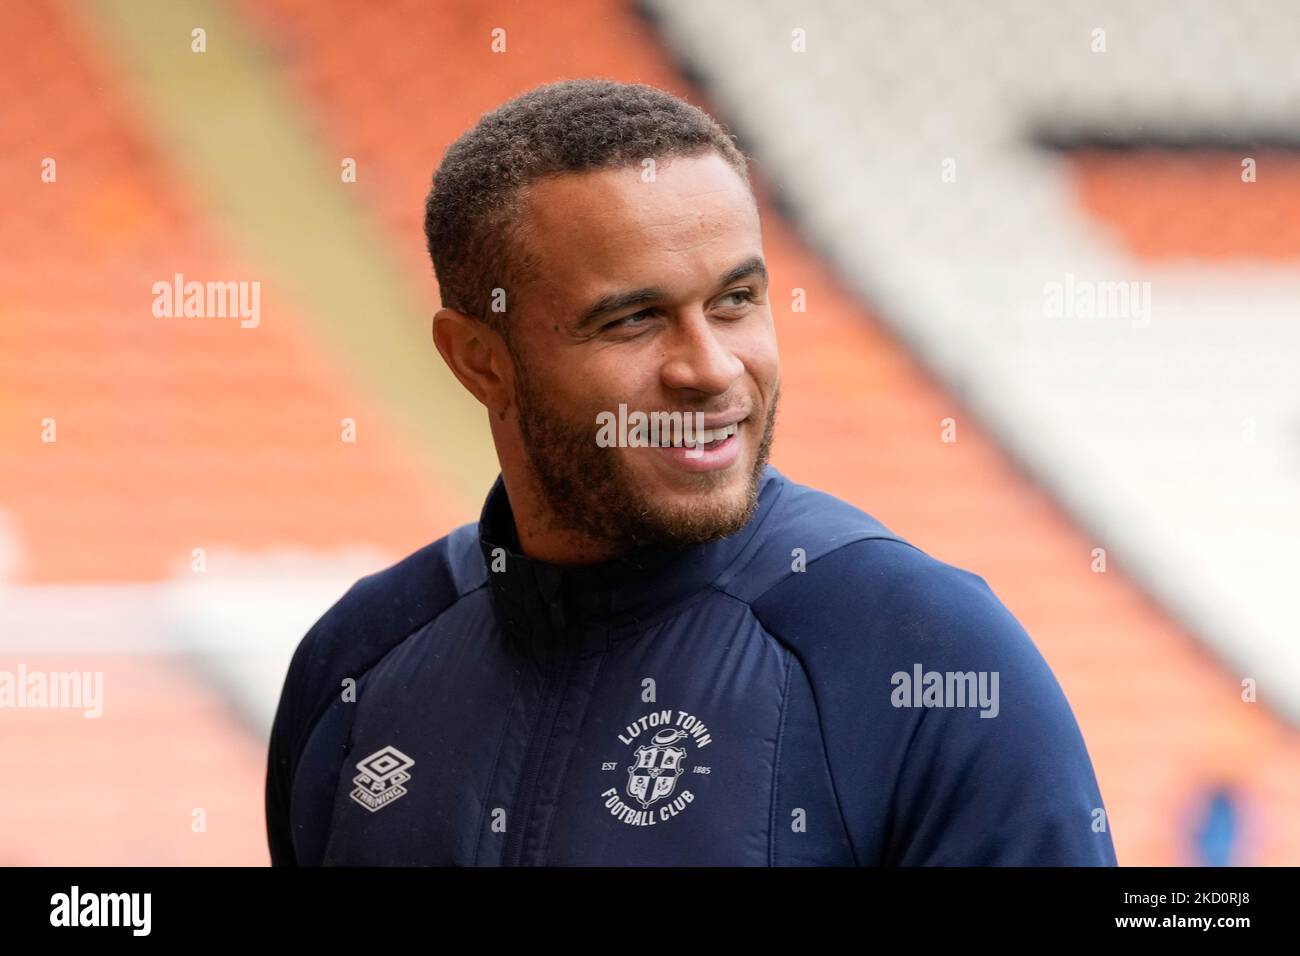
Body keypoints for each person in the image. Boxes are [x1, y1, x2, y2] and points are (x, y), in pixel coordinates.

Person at [265, 78, 1117, 866]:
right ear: (481, 362)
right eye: (635, 321)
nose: (710, 368)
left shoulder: (926, 652)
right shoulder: (359, 662)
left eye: (735, 302)